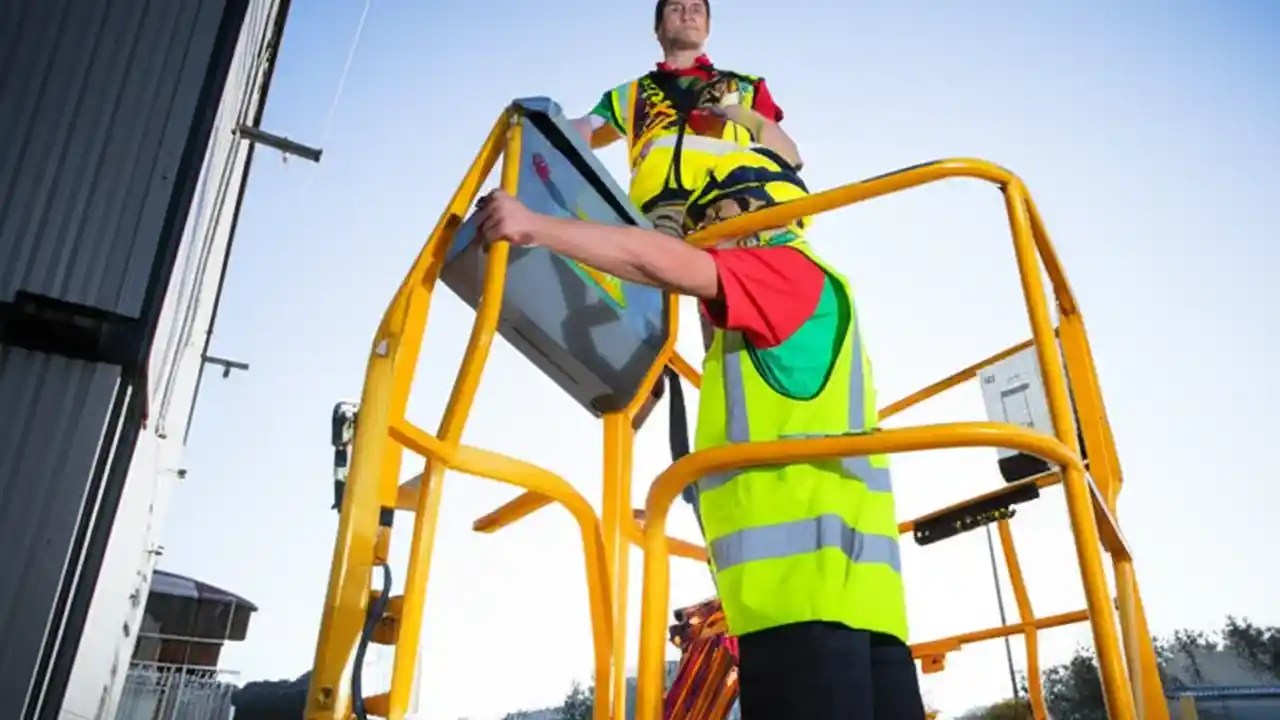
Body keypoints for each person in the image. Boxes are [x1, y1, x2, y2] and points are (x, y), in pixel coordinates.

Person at [472, 145, 927, 716]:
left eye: (707, 224)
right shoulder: (805, 299)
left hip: (799, 604)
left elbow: (655, 263)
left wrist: (534, 225)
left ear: (753, 214)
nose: (701, 239)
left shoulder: (784, 271)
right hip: (863, 608)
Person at [570, 0, 802, 238]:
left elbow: (785, 155)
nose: (687, 15)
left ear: (707, 26)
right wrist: (561, 132)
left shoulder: (747, 86)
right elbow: (584, 129)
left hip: (729, 205)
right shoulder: (629, 93)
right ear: (658, 28)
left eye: (696, 9)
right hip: (656, 214)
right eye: (676, 8)